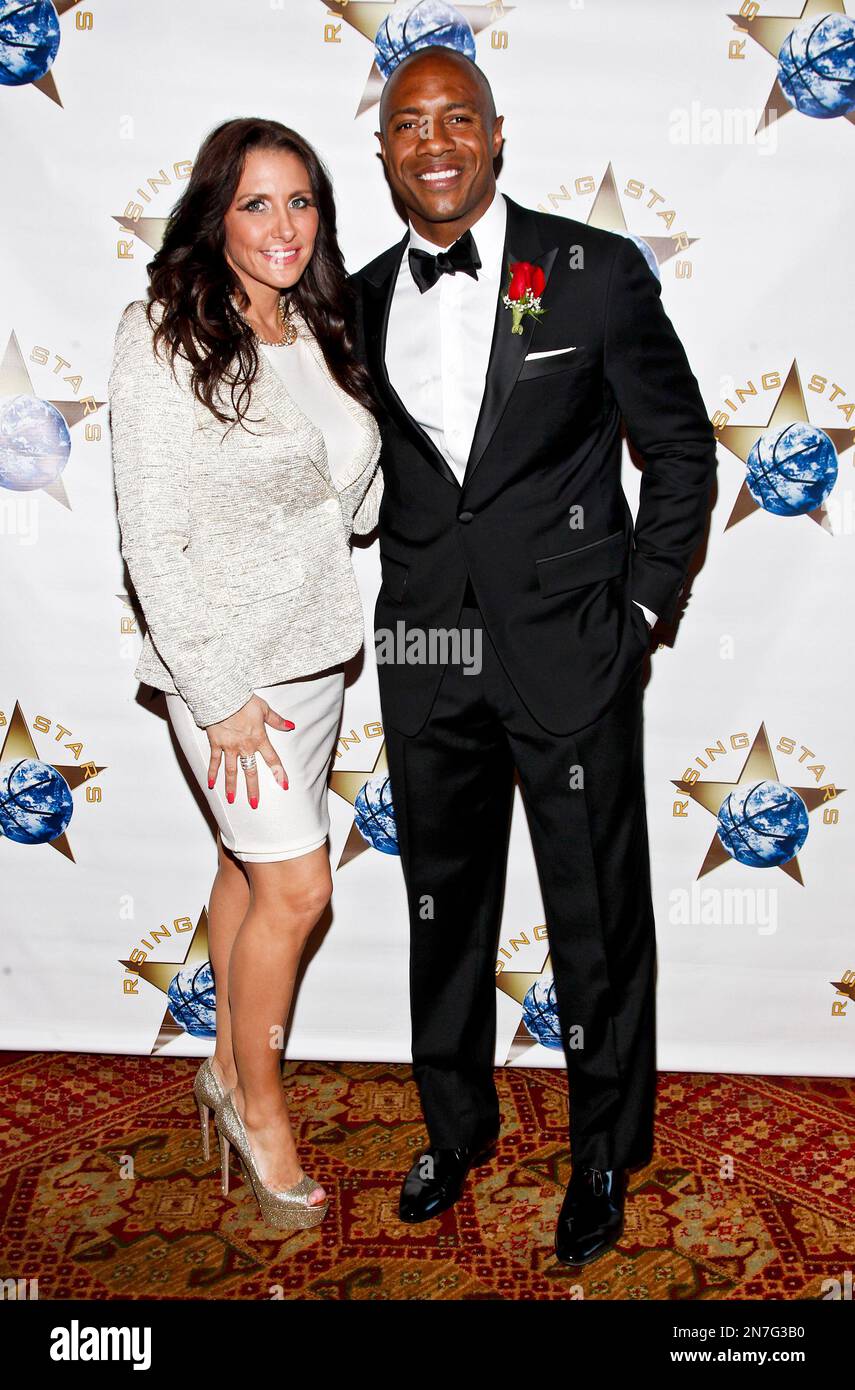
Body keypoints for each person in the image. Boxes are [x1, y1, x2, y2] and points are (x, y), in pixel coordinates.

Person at [349, 46, 717, 1264]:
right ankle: (456, 1127)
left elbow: (681, 452)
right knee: (441, 906)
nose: (436, 142)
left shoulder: (592, 272)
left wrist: (642, 612)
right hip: (425, 645)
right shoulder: (349, 304)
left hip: (573, 649)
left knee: (596, 919)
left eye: (459, 118)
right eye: (410, 124)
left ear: (497, 135)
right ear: (387, 149)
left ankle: (606, 1146)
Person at [109, 117, 383, 1231]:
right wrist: (215, 693)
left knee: (245, 868)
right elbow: (149, 533)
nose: (283, 224)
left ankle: (227, 1056)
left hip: (317, 656)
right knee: (298, 889)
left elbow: (343, 483)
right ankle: (254, 1100)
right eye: (256, 203)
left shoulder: (317, 321)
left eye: (302, 201)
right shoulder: (163, 334)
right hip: (230, 678)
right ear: (214, 215)